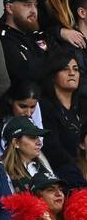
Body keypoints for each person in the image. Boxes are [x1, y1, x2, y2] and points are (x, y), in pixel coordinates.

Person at [38, 51, 87, 188]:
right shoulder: (45, 107)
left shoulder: (82, 107)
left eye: (75, 69)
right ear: (53, 75)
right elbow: (53, 151)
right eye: (65, 68)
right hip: (61, 176)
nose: (72, 73)